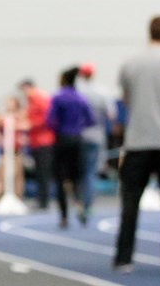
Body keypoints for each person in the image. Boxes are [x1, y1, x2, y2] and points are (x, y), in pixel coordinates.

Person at [115, 15, 160, 273]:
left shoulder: (131, 62)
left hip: (138, 140)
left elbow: (126, 99)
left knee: (130, 202)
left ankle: (123, 258)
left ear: (149, 31)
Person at [45, 67, 96, 227]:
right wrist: (77, 126)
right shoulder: (80, 98)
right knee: (78, 177)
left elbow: (49, 121)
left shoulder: (58, 97)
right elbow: (91, 120)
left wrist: (59, 128)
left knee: (60, 178)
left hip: (62, 140)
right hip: (77, 140)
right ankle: (80, 204)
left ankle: (64, 216)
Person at [75, 63, 115, 221]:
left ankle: (79, 202)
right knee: (91, 172)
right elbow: (111, 114)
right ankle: (89, 204)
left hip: (78, 137)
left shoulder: (76, 91)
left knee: (79, 172)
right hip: (96, 136)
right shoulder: (102, 92)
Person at [19, 79, 55, 209]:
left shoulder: (40, 99)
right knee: (39, 172)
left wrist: (31, 124)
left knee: (43, 172)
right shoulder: (31, 102)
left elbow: (47, 118)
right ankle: (41, 199)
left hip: (43, 141)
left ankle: (44, 200)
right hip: (36, 141)